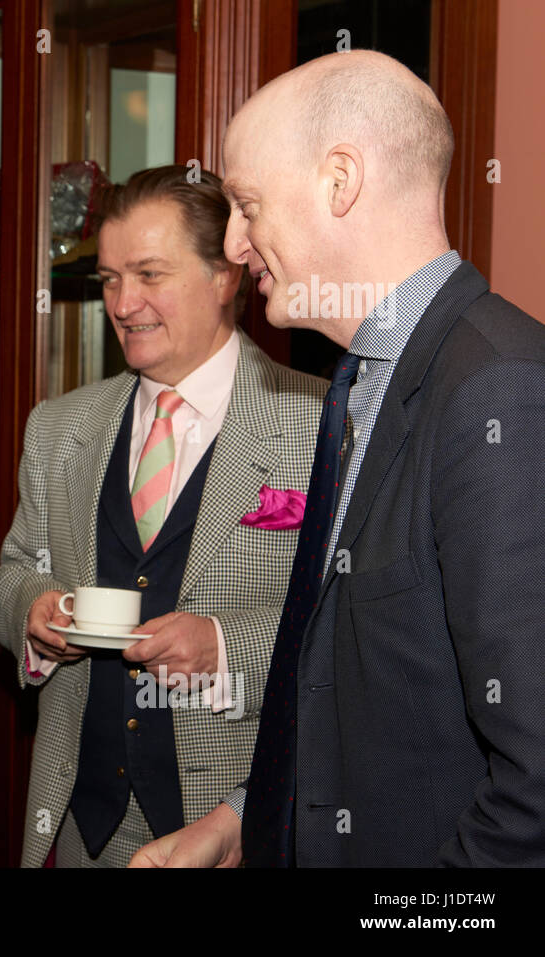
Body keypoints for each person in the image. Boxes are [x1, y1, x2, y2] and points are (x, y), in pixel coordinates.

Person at [131, 51, 545, 868]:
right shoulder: (358, 383)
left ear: (340, 180)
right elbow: (347, 681)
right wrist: (245, 818)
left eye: (247, 204)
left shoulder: (500, 388)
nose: (238, 244)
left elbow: (533, 781)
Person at [0, 165, 326, 867]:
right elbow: (14, 568)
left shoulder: (319, 423)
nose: (123, 301)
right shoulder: (59, 427)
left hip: (236, 826)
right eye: (109, 278)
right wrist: (31, 611)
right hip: (85, 825)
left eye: (148, 273)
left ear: (224, 276)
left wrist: (227, 646)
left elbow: (350, 617)